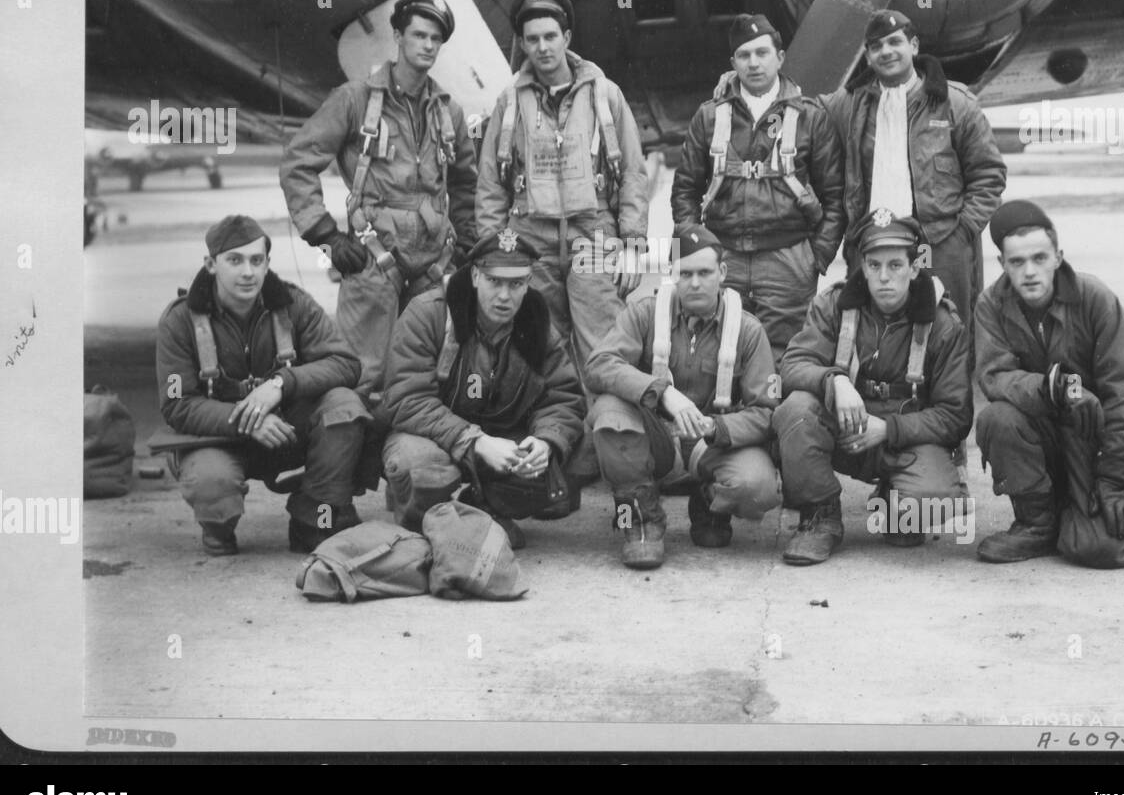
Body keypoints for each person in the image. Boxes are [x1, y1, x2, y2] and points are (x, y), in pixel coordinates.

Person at [279, 0, 478, 401]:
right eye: (419, 35)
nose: (427, 46)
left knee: (426, 379)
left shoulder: (448, 111)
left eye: (435, 39)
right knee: (360, 377)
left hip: (434, 263)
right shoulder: (354, 100)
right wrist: (326, 235)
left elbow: (464, 182)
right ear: (398, 37)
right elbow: (299, 162)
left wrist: (469, 242)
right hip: (373, 258)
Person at [153, 215, 370, 556]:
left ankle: (314, 521)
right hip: (220, 437)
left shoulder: (294, 305)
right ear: (211, 264)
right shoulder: (179, 323)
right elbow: (177, 403)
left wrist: (282, 383)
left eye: (257, 261)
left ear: (268, 263)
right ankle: (218, 527)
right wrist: (249, 419)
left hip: (285, 430)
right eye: (235, 261)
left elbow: (345, 363)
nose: (248, 272)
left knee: (344, 407)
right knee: (212, 483)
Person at [772, 209, 973, 565]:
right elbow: (793, 365)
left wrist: (889, 429)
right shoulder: (833, 305)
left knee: (934, 502)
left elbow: (955, 415)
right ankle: (820, 515)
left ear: (914, 268)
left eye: (895, 265)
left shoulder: (944, 324)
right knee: (796, 410)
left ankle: (894, 499)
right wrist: (834, 380)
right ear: (862, 267)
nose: (884, 277)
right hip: (844, 429)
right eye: (874, 265)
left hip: (902, 436)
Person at [474, 0, 649, 384]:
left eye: (550, 36)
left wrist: (635, 245)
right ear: (523, 43)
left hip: (594, 238)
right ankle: (557, 436)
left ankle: (609, 435)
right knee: (542, 348)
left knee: (604, 347)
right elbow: (490, 186)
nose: (542, 47)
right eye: (532, 39)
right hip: (531, 243)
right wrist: (493, 252)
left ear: (566, 37)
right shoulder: (509, 103)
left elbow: (633, 174)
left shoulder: (604, 95)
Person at [583, 227, 780, 570]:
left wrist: (715, 428)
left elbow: (767, 412)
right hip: (656, 438)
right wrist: (662, 392)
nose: (695, 283)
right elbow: (599, 364)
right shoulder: (644, 313)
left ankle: (707, 503)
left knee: (759, 488)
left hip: (711, 446)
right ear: (671, 274)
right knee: (609, 413)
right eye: (684, 273)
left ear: (722, 273)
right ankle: (639, 520)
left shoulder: (747, 330)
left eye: (704, 273)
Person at [380, 230, 586, 550]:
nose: (505, 296)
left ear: (528, 282)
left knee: (581, 455)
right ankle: (423, 514)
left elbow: (563, 396)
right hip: (434, 437)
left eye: (516, 284)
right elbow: (405, 399)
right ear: (475, 276)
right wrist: (473, 441)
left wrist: (546, 442)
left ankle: (483, 507)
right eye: (494, 282)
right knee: (422, 469)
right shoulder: (429, 313)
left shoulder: (535, 319)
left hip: (502, 437)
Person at [974, 201, 1124, 568]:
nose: (1030, 272)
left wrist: (1116, 477)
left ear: (1058, 257)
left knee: (1099, 551)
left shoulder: (1094, 298)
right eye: (1017, 262)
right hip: (1040, 438)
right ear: (1003, 264)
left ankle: (1078, 507)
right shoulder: (991, 304)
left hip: (1093, 444)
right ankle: (1037, 523)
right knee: (997, 418)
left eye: (1040, 258)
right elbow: (995, 376)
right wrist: (1055, 388)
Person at [820, 8, 1005, 347]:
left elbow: (989, 174)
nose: (886, 51)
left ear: (914, 46)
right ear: (868, 56)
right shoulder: (849, 104)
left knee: (948, 335)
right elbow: (803, 114)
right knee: (873, 338)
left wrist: (962, 231)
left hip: (936, 240)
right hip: (872, 240)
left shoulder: (955, 103)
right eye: (876, 47)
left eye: (894, 42)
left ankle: (950, 402)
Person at [672, 14, 846, 361]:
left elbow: (835, 197)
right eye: (744, 55)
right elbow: (686, 191)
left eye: (762, 53)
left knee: (785, 359)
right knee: (719, 354)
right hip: (725, 257)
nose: (754, 63)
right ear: (733, 63)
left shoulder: (810, 117)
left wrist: (817, 258)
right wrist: (694, 251)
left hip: (789, 261)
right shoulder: (709, 117)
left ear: (780, 58)